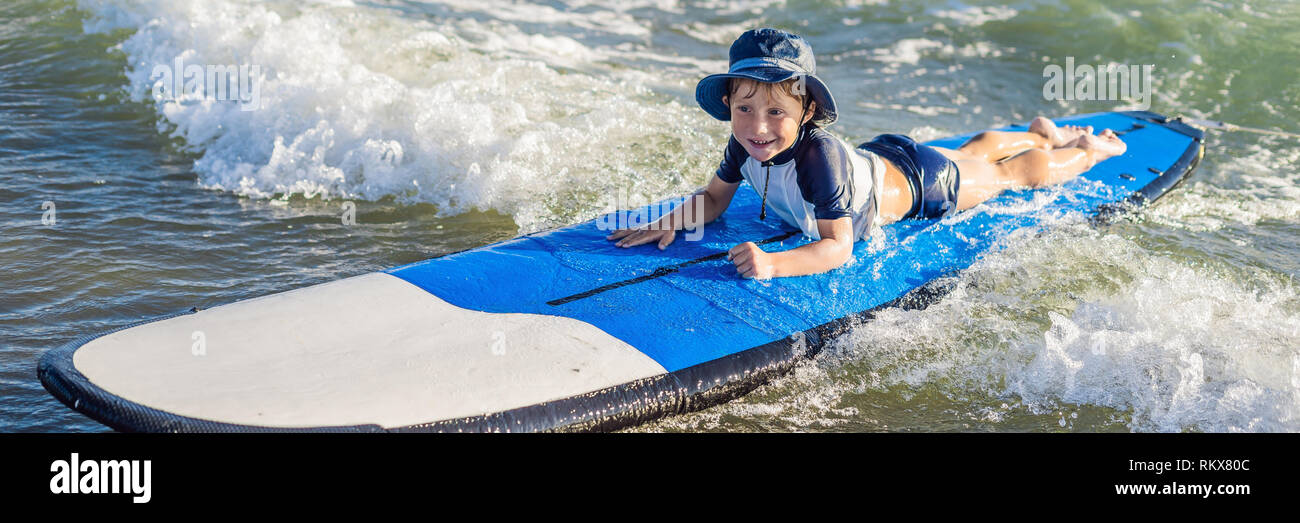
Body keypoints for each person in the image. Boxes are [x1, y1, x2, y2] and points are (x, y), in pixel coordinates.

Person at [606, 28, 1126, 279]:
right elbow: (714, 199)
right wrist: (675, 219)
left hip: (924, 186)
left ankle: (1080, 149)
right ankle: (1041, 130)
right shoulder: (744, 143)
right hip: (881, 157)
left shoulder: (817, 158)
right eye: (744, 109)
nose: (757, 127)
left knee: (1014, 175)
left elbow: (839, 247)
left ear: (807, 112)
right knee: (974, 149)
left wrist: (773, 263)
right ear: (729, 104)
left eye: (775, 113)